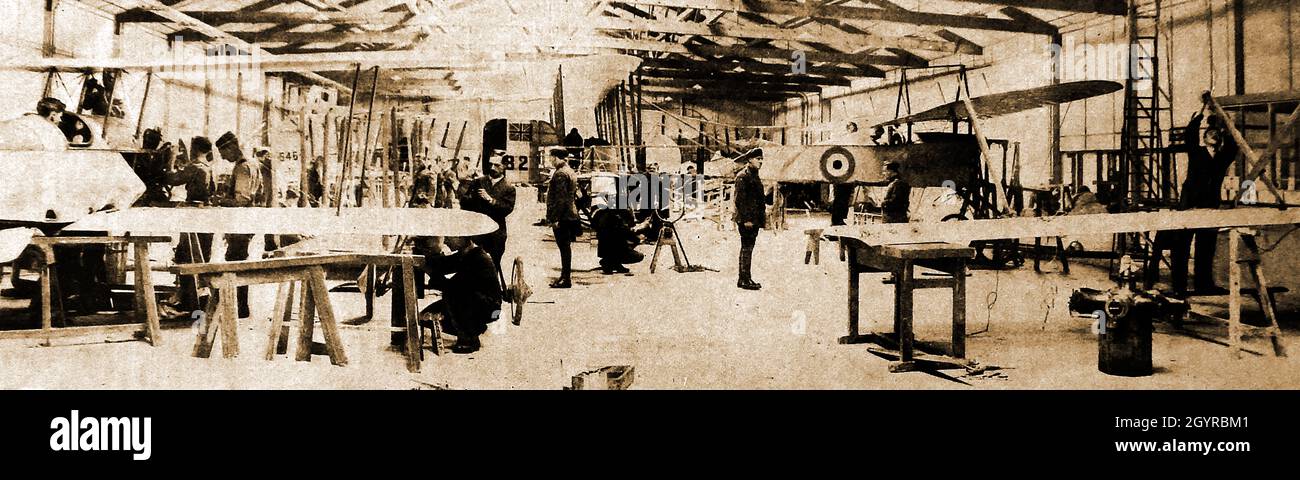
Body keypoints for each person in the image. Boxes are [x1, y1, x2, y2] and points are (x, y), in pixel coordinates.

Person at [1149, 112, 1238, 296]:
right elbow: (1190, 135)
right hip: (1189, 206)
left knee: (1206, 248)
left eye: (1217, 134)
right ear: (1204, 138)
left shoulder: (1222, 158)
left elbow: (1233, 146)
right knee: (1181, 248)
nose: (1214, 135)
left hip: (1210, 208)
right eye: (1209, 133)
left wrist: (1227, 125)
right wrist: (1198, 117)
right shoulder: (1196, 152)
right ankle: (1179, 287)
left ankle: (1203, 284)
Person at [418, 235, 502, 354]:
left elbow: (454, 287)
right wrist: (428, 254)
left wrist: (435, 277)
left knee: (454, 295)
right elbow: (443, 265)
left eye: (450, 237)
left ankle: (469, 339)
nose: (446, 240)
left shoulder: (478, 259)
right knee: (425, 317)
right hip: (479, 303)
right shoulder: (468, 253)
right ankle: (474, 328)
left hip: (492, 311)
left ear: (463, 238)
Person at [164, 136, 217, 315]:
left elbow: (172, 179)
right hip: (207, 216)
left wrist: (170, 159)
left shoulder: (194, 167)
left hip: (193, 216)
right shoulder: (209, 168)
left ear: (194, 148)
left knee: (185, 257)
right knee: (201, 258)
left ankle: (189, 303)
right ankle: (198, 301)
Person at [216, 132, 262, 319]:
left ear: (232, 148)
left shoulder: (243, 167)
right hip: (248, 222)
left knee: (235, 262)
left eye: (223, 153)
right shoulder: (252, 163)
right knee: (238, 261)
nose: (222, 157)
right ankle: (241, 307)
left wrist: (220, 201)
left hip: (241, 222)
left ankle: (240, 308)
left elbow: (242, 200)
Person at [459, 154, 517, 282]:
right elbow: (464, 203)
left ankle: (490, 292)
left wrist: (490, 200)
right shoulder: (479, 181)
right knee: (471, 261)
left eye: (497, 165)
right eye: (491, 164)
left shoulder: (509, 187)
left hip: (496, 232)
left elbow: (507, 209)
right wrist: (469, 193)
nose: (493, 168)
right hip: (477, 230)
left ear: (504, 167)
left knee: (492, 264)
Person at [733, 148, 770, 291]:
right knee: (747, 248)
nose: (760, 161)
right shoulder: (743, 176)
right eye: (758, 158)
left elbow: (757, 198)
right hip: (747, 220)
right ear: (749, 160)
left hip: (754, 219)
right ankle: (744, 279)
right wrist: (747, 220)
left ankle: (744, 278)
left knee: (748, 248)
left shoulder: (754, 175)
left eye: (762, 159)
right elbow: (740, 201)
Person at [546, 149, 580, 288]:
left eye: (551, 157)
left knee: (564, 247)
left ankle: (566, 279)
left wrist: (554, 219)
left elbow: (560, 199)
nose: (550, 160)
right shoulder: (569, 171)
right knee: (565, 247)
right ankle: (565, 277)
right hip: (569, 214)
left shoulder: (560, 174)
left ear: (556, 158)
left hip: (563, 216)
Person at [0, 97, 68, 151]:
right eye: (60, 116)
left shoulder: (28, 119)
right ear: (52, 114)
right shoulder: (45, 127)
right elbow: (59, 147)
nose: (60, 119)